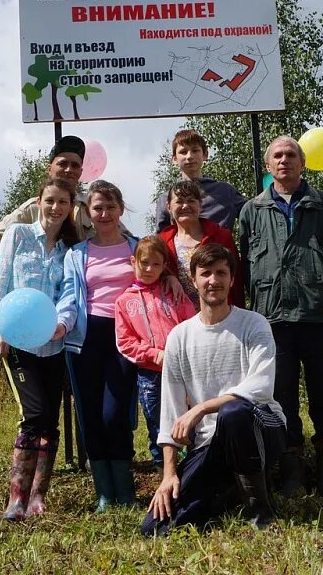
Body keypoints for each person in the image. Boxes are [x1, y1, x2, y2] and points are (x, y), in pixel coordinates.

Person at [141, 243, 286, 536]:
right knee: (156, 527)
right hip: (211, 443)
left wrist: (201, 408)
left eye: (221, 273)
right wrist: (169, 474)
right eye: (205, 273)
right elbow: (170, 411)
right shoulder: (179, 337)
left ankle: (261, 512)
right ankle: (229, 493)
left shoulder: (253, 324)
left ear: (232, 280)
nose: (213, 280)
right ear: (193, 280)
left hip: (262, 428)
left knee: (233, 412)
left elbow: (260, 386)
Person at [238, 135, 323, 499]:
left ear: (303, 163)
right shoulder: (251, 211)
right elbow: (244, 266)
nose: (284, 160)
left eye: (291, 154)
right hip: (272, 321)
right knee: (280, 399)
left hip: (321, 317)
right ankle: (291, 479)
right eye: (277, 155)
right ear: (268, 166)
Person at [0, 177, 79, 520]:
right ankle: (16, 498)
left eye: (63, 202)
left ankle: (38, 498)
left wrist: (62, 325)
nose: (56, 207)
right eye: (50, 200)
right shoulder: (18, 235)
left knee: (50, 420)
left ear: (71, 208)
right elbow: (1, 278)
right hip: (18, 340)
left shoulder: (70, 250)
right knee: (34, 415)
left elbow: (69, 294)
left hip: (53, 344)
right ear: (39, 202)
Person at [57, 180, 141, 511]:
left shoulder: (137, 248)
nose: (104, 214)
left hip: (125, 337)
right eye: (98, 208)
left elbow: (152, 284)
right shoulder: (76, 254)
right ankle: (104, 493)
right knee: (90, 415)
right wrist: (61, 324)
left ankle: (126, 490)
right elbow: (69, 297)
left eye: (110, 207)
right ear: (88, 213)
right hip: (85, 338)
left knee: (115, 414)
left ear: (120, 209)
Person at [115, 236, 197, 468]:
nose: (149, 269)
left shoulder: (174, 293)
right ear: (133, 261)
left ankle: (193, 469)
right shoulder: (124, 301)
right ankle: (164, 472)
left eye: (156, 264)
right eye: (144, 263)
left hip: (182, 370)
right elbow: (125, 342)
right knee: (157, 424)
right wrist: (154, 354)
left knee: (189, 420)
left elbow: (193, 325)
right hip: (150, 374)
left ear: (164, 266)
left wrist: (182, 354)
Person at [0, 135, 93, 259]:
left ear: (81, 172)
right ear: (49, 169)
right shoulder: (33, 207)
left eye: (75, 165)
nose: (69, 170)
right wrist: (20, 264)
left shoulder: (92, 207)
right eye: (63, 164)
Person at [158, 180, 245, 309]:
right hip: (178, 316)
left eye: (191, 201)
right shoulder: (162, 243)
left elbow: (235, 280)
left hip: (218, 314)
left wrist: (238, 313)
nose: (185, 206)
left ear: (200, 205)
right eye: (179, 201)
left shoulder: (220, 237)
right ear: (168, 207)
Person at [154, 129, 247, 232]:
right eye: (183, 152)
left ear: (205, 155)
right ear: (174, 159)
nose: (189, 156)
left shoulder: (225, 192)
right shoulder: (166, 198)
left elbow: (253, 214)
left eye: (195, 151)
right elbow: (162, 237)